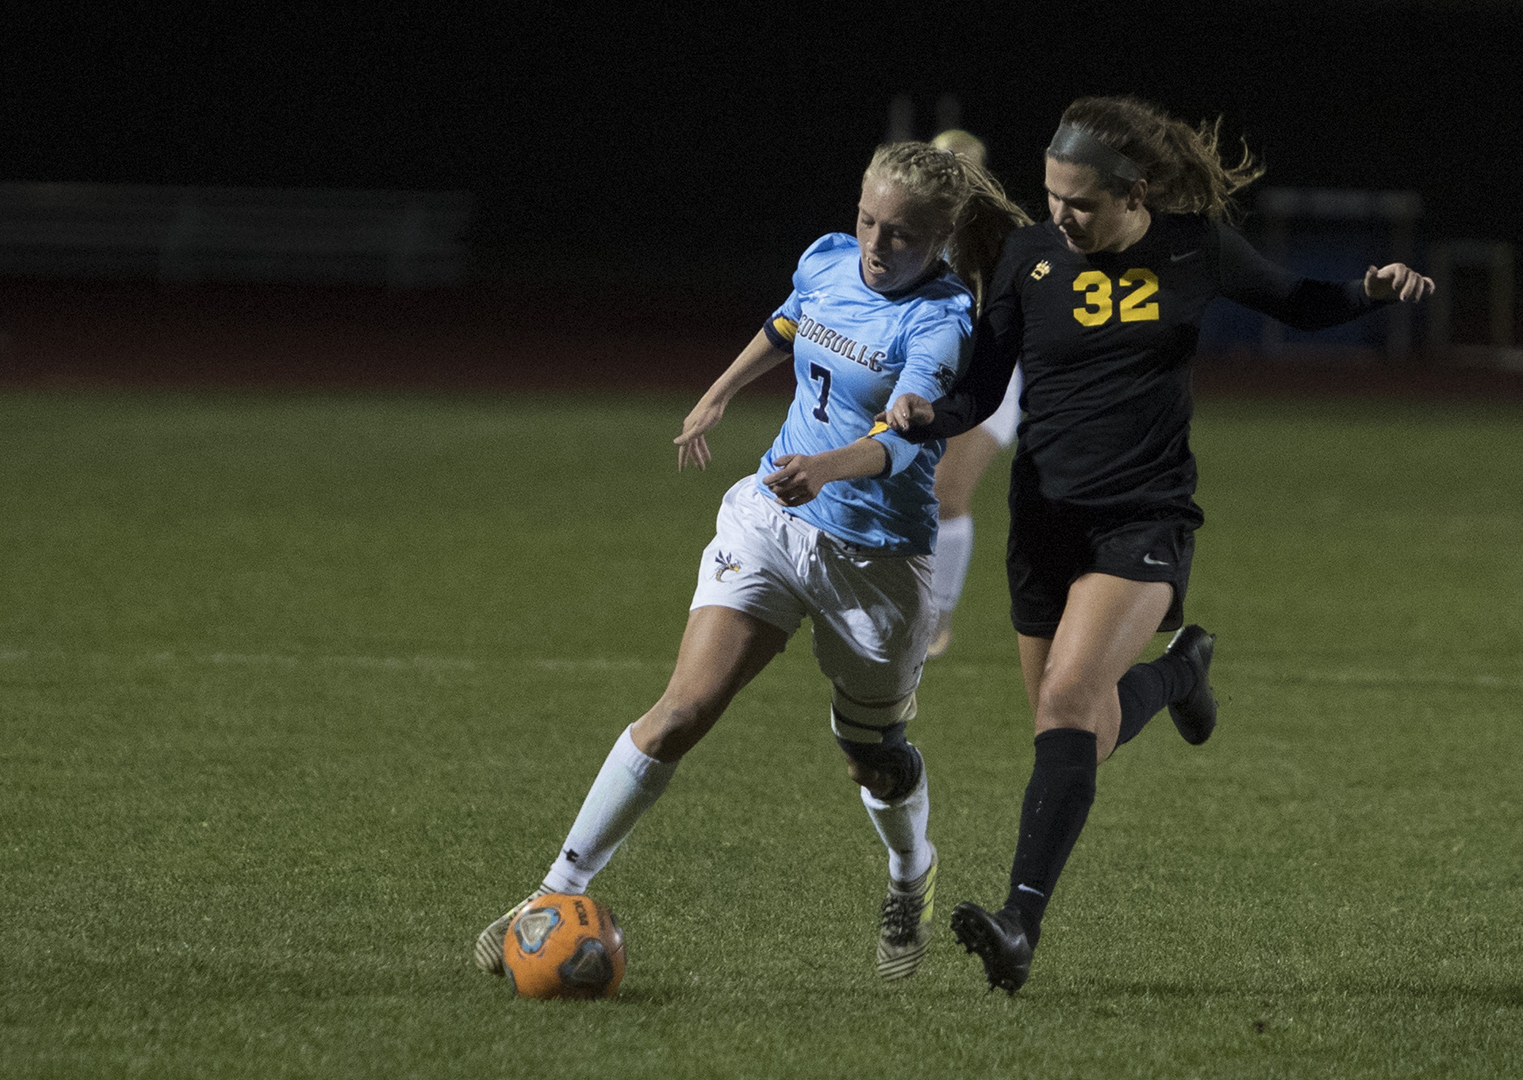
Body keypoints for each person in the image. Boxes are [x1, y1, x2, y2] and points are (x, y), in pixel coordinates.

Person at [886, 96, 1434, 994]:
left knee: (1067, 699)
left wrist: (1366, 293)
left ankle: (1020, 923)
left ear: (1136, 192)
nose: (1060, 215)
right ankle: (1181, 674)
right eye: (1053, 196)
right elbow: (983, 391)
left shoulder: (1194, 246)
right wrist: (926, 417)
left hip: (1143, 518)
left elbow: (1299, 303)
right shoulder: (1026, 258)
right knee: (1075, 731)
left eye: (1081, 202)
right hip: (1045, 525)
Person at [473, 140, 1028, 983]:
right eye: (868, 221)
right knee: (679, 711)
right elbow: (790, 318)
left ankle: (910, 872)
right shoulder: (830, 260)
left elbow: (908, 449)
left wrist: (829, 466)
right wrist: (720, 390)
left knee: (870, 752)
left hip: (877, 563)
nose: (878, 245)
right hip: (772, 519)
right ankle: (551, 891)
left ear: (943, 241)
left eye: (904, 235)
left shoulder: (942, 321)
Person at [923, 127, 1023, 658]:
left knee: (946, 491)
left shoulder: (1000, 236)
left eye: (961, 169)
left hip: (990, 378)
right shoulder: (913, 227)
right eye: (941, 166)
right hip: (926, 377)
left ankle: (937, 616)